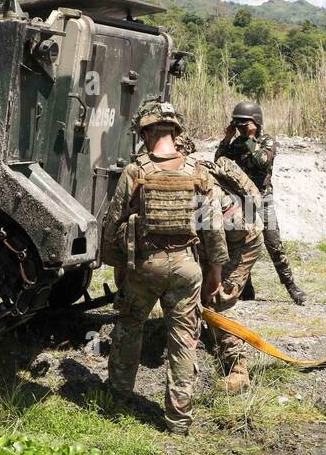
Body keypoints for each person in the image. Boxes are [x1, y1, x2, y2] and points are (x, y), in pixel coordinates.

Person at [101, 100, 227, 434]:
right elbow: (212, 226)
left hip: (145, 265)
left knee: (129, 328)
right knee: (183, 340)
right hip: (187, 266)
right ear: (175, 131)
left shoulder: (135, 172)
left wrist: (117, 266)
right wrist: (215, 269)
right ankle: (178, 422)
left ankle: (117, 401)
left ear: (145, 132)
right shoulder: (199, 173)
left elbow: (113, 224)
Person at [214, 99, 307, 305]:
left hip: (262, 200)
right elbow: (219, 161)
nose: (241, 127)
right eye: (238, 124)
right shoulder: (237, 143)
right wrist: (227, 138)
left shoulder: (267, 141)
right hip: (240, 200)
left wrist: (250, 138)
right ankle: (245, 286)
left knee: (273, 243)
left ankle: (291, 286)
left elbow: (261, 162)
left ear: (256, 122)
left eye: (245, 123)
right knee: (240, 244)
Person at [201, 155, 264, 392]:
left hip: (243, 241)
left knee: (217, 298)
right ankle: (207, 336)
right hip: (219, 238)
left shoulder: (201, 185)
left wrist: (215, 275)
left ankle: (238, 369)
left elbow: (215, 231)